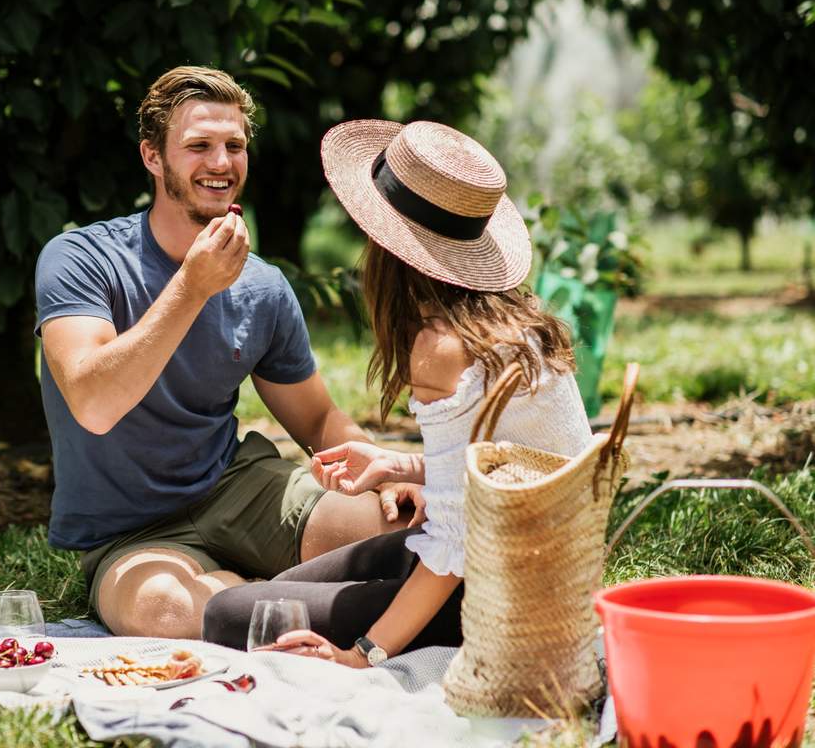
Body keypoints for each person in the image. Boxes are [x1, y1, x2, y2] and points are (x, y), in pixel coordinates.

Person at [34, 67, 420, 639]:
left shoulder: (262, 285)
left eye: (233, 146)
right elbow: (93, 401)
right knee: (164, 611)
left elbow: (314, 417)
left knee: (398, 529)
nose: (221, 163)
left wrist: (387, 472)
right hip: (129, 534)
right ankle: (303, 603)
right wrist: (192, 287)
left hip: (238, 489)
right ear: (152, 156)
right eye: (199, 146)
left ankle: (263, 600)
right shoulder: (81, 258)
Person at [201, 119, 594, 666]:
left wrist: (362, 655)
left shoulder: (442, 346)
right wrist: (393, 465)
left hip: (500, 593)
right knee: (273, 594)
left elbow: (453, 545)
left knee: (230, 616)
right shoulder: (512, 321)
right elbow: (509, 471)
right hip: (540, 567)